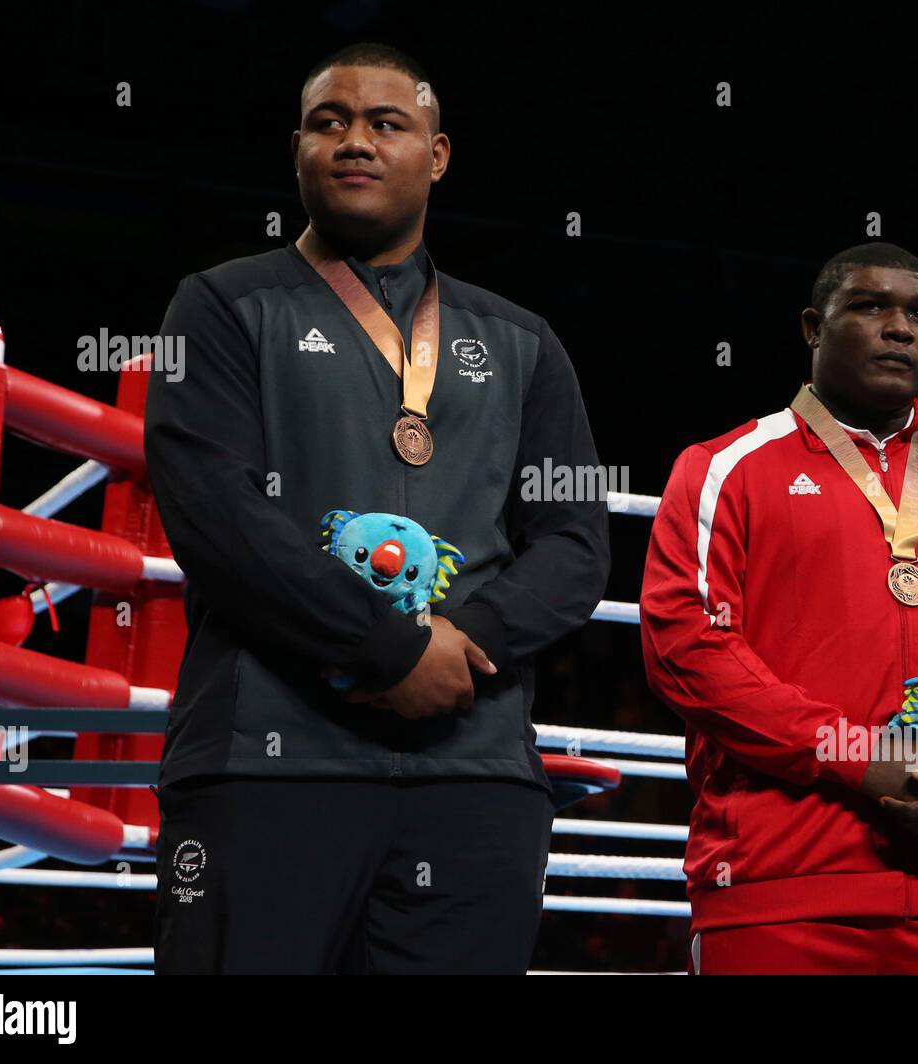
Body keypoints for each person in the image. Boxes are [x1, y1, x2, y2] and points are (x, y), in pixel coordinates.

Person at [145, 42, 610, 974]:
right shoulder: (220, 306)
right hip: (266, 765)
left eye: (385, 123)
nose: (354, 141)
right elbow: (215, 516)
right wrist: (392, 646)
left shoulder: (521, 340)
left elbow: (574, 541)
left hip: (473, 772)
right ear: (298, 152)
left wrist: (465, 640)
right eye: (329, 123)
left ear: (437, 154)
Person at [639, 242, 918, 975]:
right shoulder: (725, 468)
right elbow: (687, 650)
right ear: (814, 327)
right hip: (780, 886)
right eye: (870, 306)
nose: (901, 328)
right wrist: (859, 755)